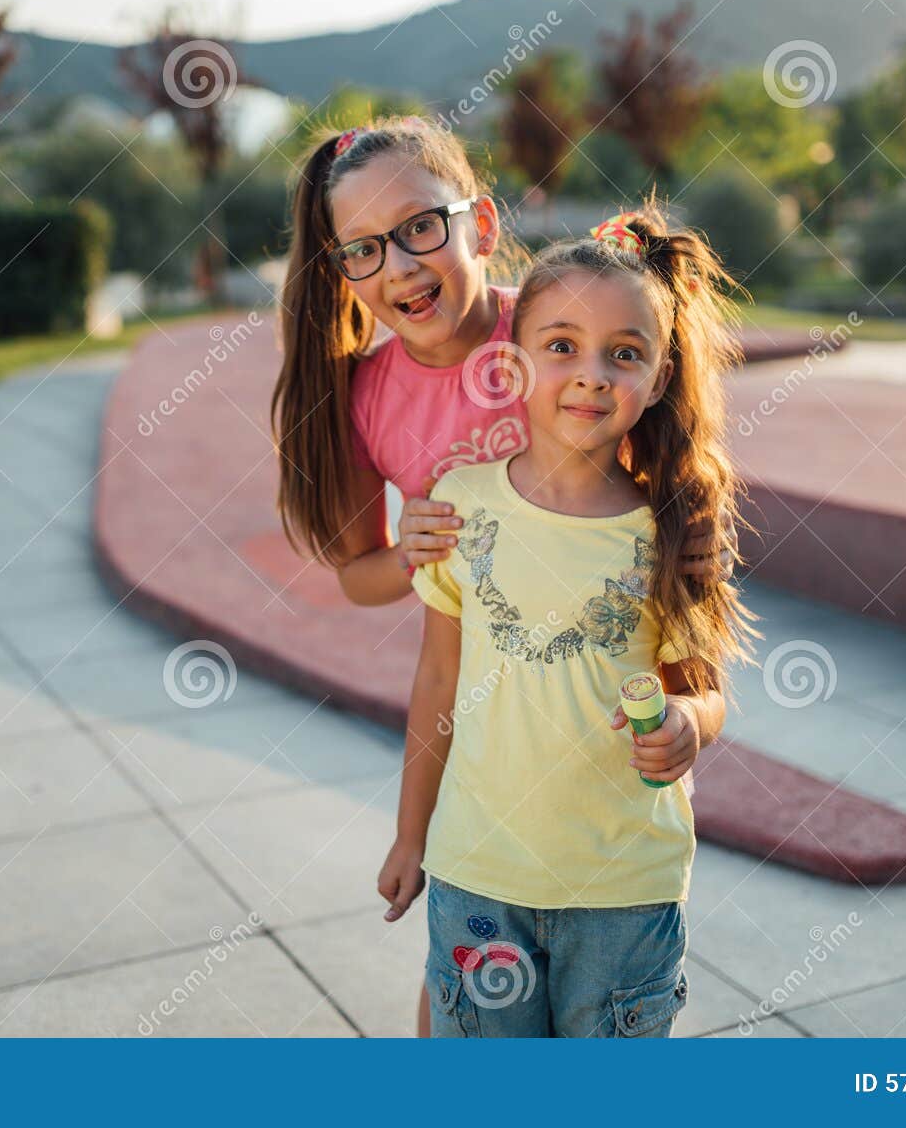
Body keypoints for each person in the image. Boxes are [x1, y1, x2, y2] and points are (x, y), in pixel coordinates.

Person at [272, 115, 735, 1035]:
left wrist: (702, 525)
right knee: (463, 1005)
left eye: (419, 228)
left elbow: (662, 425)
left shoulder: (557, 323)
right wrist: (407, 558)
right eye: (363, 250)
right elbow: (356, 577)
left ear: (478, 225)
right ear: (342, 274)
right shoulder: (364, 395)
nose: (401, 265)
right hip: (482, 691)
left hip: (597, 701)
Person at [375, 206, 757, 1036]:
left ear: (658, 379)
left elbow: (703, 690)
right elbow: (436, 682)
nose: (591, 375)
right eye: (562, 346)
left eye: (624, 355)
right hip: (480, 877)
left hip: (624, 891)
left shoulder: (672, 530)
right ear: (514, 363)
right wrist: (413, 838)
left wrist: (691, 722)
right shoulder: (461, 504)